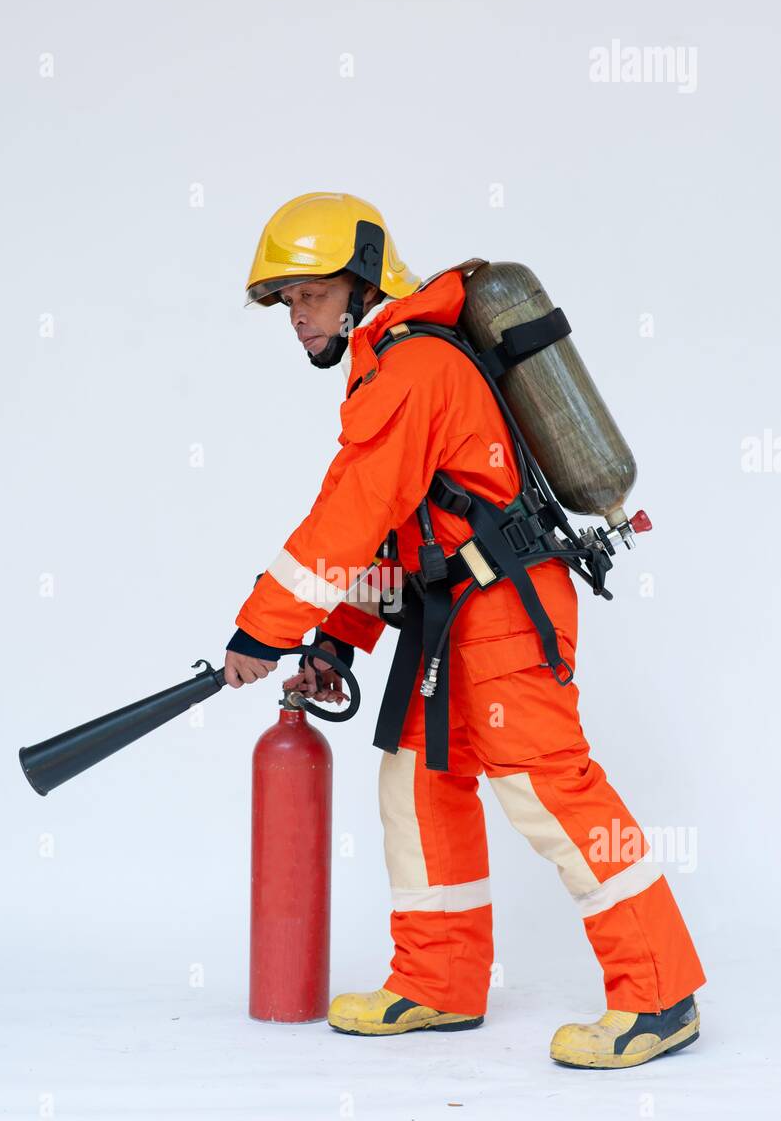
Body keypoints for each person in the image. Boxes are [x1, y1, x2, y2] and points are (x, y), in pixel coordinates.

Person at [223, 191, 706, 1067]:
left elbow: (344, 519)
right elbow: (394, 533)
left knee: (551, 793)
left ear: (362, 283)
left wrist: (261, 631)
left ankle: (659, 993)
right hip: (449, 618)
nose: (298, 318)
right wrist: (333, 639)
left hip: (503, 618)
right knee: (415, 782)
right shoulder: (391, 367)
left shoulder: (411, 369)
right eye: (287, 302)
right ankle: (438, 983)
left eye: (312, 295)